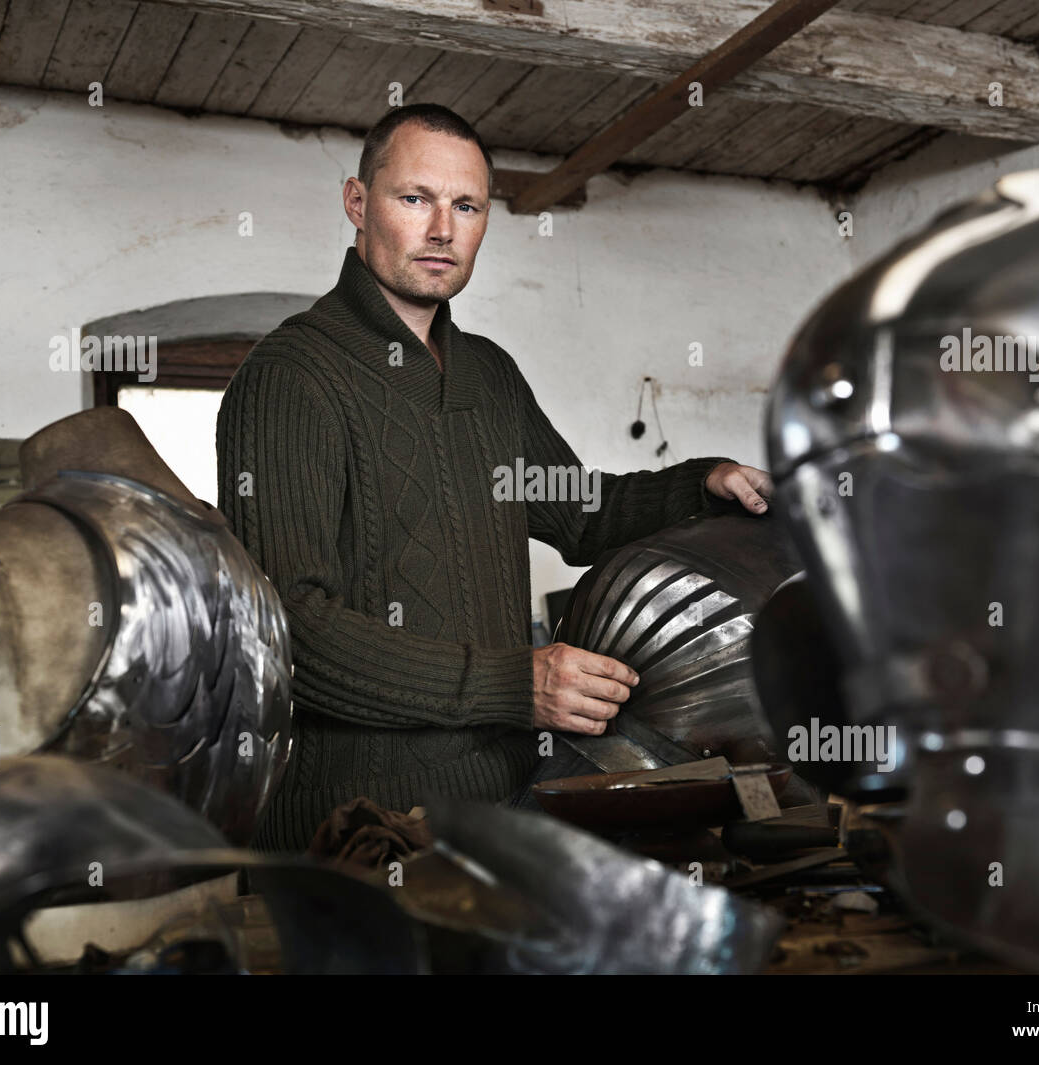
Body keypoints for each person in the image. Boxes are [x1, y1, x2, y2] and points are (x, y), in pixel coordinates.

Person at [217, 103, 772, 851]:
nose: (442, 229)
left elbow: (581, 515)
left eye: (467, 206)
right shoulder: (290, 377)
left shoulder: (489, 374)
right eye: (415, 198)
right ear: (357, 202)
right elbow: (292, 634)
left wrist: (698, 483)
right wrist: (517, 685)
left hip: (510, 810)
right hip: (355, 828)